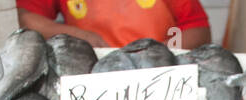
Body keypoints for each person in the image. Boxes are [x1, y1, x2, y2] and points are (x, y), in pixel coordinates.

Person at [16, 0, 212, 49]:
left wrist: (161, 53)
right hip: (91, 81)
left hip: (159, 80)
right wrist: (79, 36)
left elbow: (198, 29)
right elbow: (29, 20)